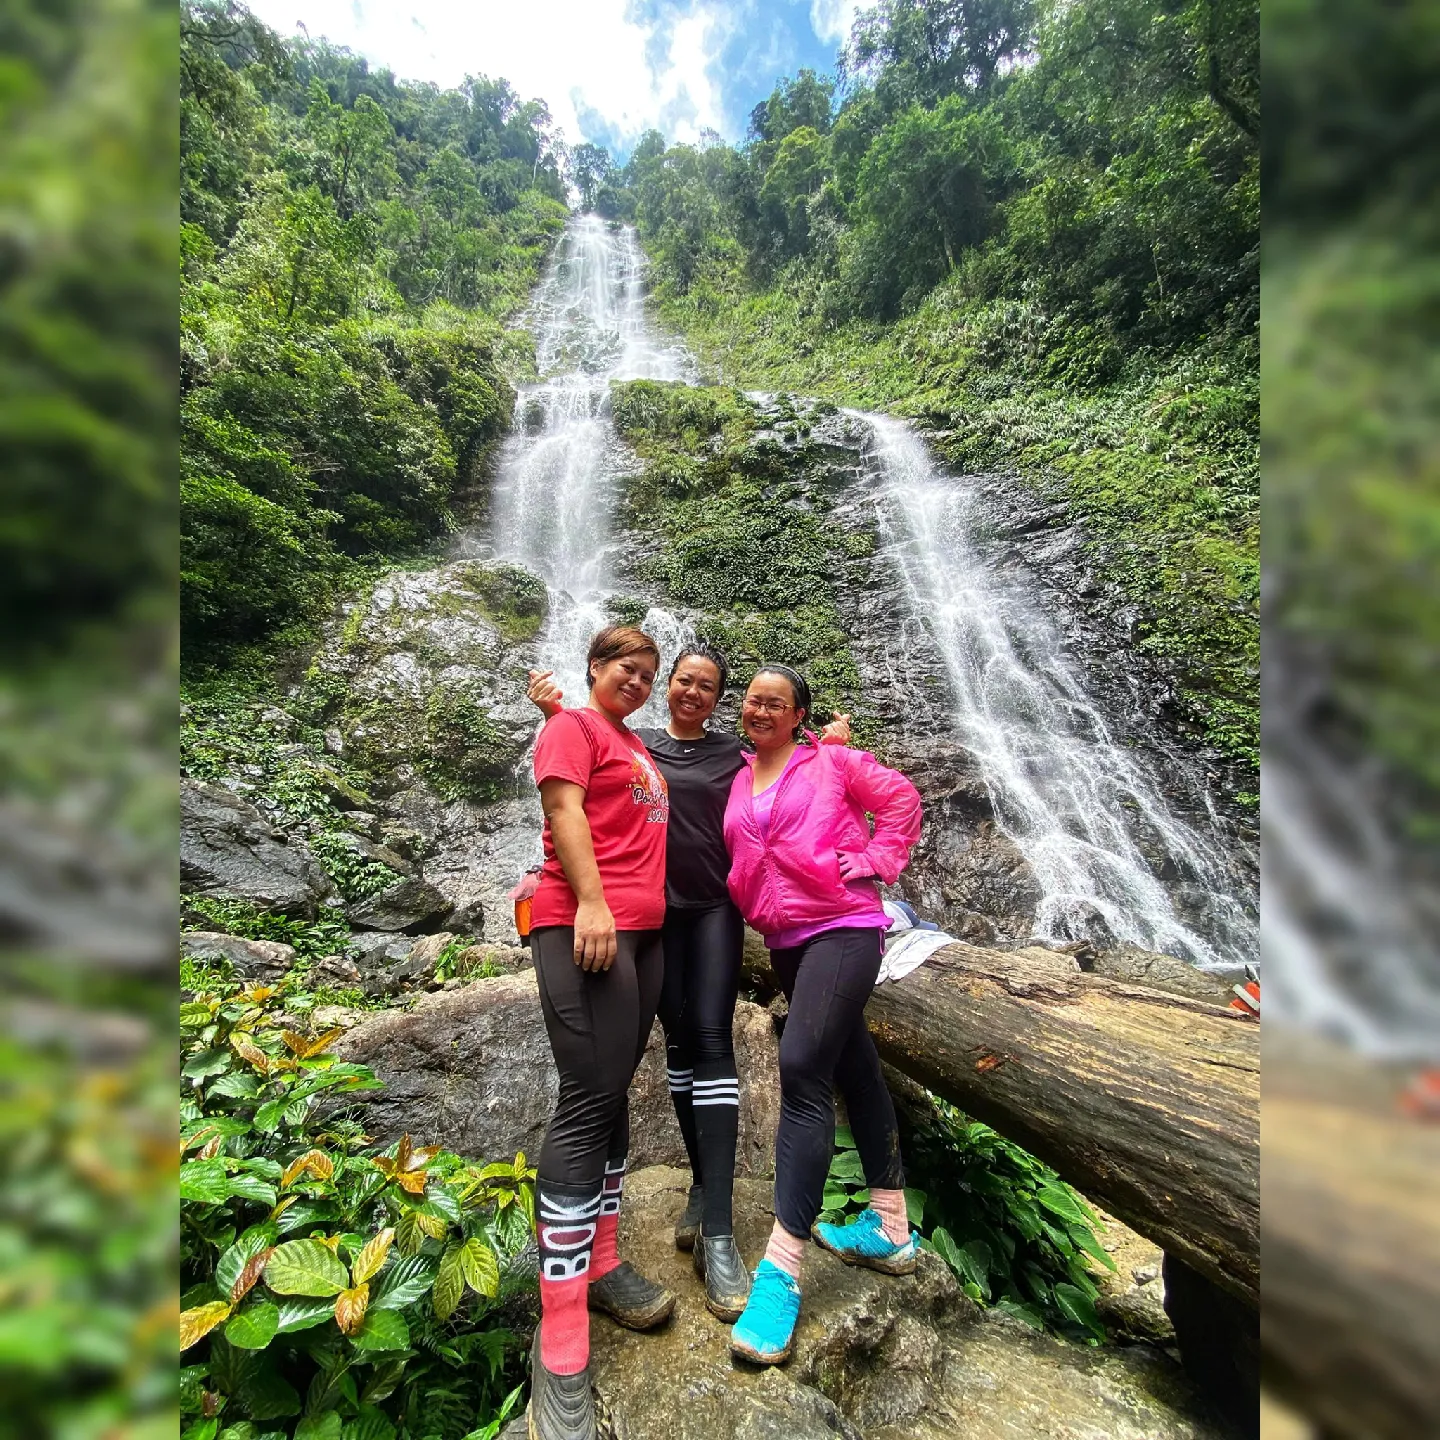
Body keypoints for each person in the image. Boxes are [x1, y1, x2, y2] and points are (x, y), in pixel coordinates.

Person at [527, 647, 851, 1324]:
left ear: (719, 699)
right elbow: (582, 777)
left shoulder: (735, 752)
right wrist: (555, 711)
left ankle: (720, 1229)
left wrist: (832, 746)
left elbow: (793, 767)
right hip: (646, 919)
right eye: (682, 681)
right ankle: (702, 1190)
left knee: (710, 1038)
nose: (692, 692)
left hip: (710, 912)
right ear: (666, 687)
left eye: (707, 686)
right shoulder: (636, 744)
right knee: (677, 1045)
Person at [721, 663, 924, 1366]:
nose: (760, 710)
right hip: (784, 939)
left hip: (843, 926)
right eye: (753, 700)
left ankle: (780, 1271)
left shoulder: (831, 763)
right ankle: (890, 1227)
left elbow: (900, 800)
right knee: (854, 1067)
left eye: (775, 703)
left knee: (804, 1065)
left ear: (799, 715)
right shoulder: (738, 776)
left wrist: (876, 858)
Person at [525, 625, 676, 1440]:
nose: (640, 681)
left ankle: (604, 1262)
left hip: (643, 934)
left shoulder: (629, 740)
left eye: (649, 673)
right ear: (594, 667)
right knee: (588, 1100)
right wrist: (591, 903)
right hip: (587, 923)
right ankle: (560, 1332)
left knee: (613, 1091)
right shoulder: (574, 728)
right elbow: (563, 808)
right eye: (627, 667)